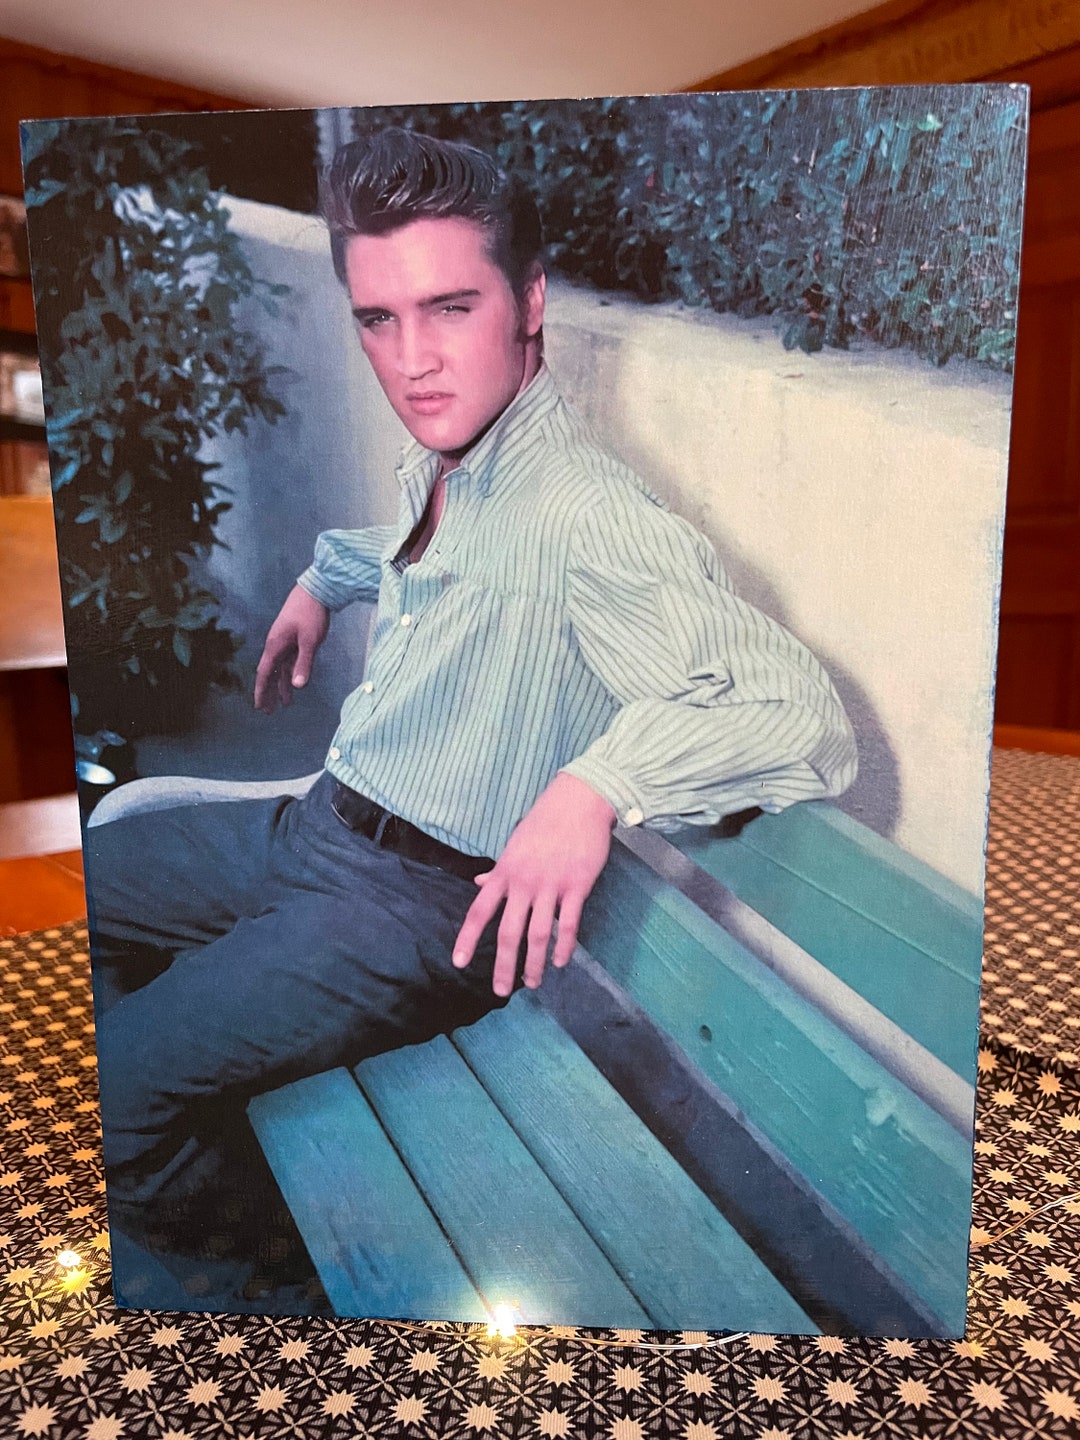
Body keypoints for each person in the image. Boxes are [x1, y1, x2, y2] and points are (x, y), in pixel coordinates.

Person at [84, 127, 857, 1309]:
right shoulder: (452, 461)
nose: (413, 361)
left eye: (449, 306)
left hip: (419, 909)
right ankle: (216, 1168)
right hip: (319, 831)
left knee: (120, 1087)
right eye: (379, 320)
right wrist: (317, 582)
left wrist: (597, 785)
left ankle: (266, 1288)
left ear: (531, 301)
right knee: (82, 885)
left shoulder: (586, 513)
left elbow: (799, 713)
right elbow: (403, 551)